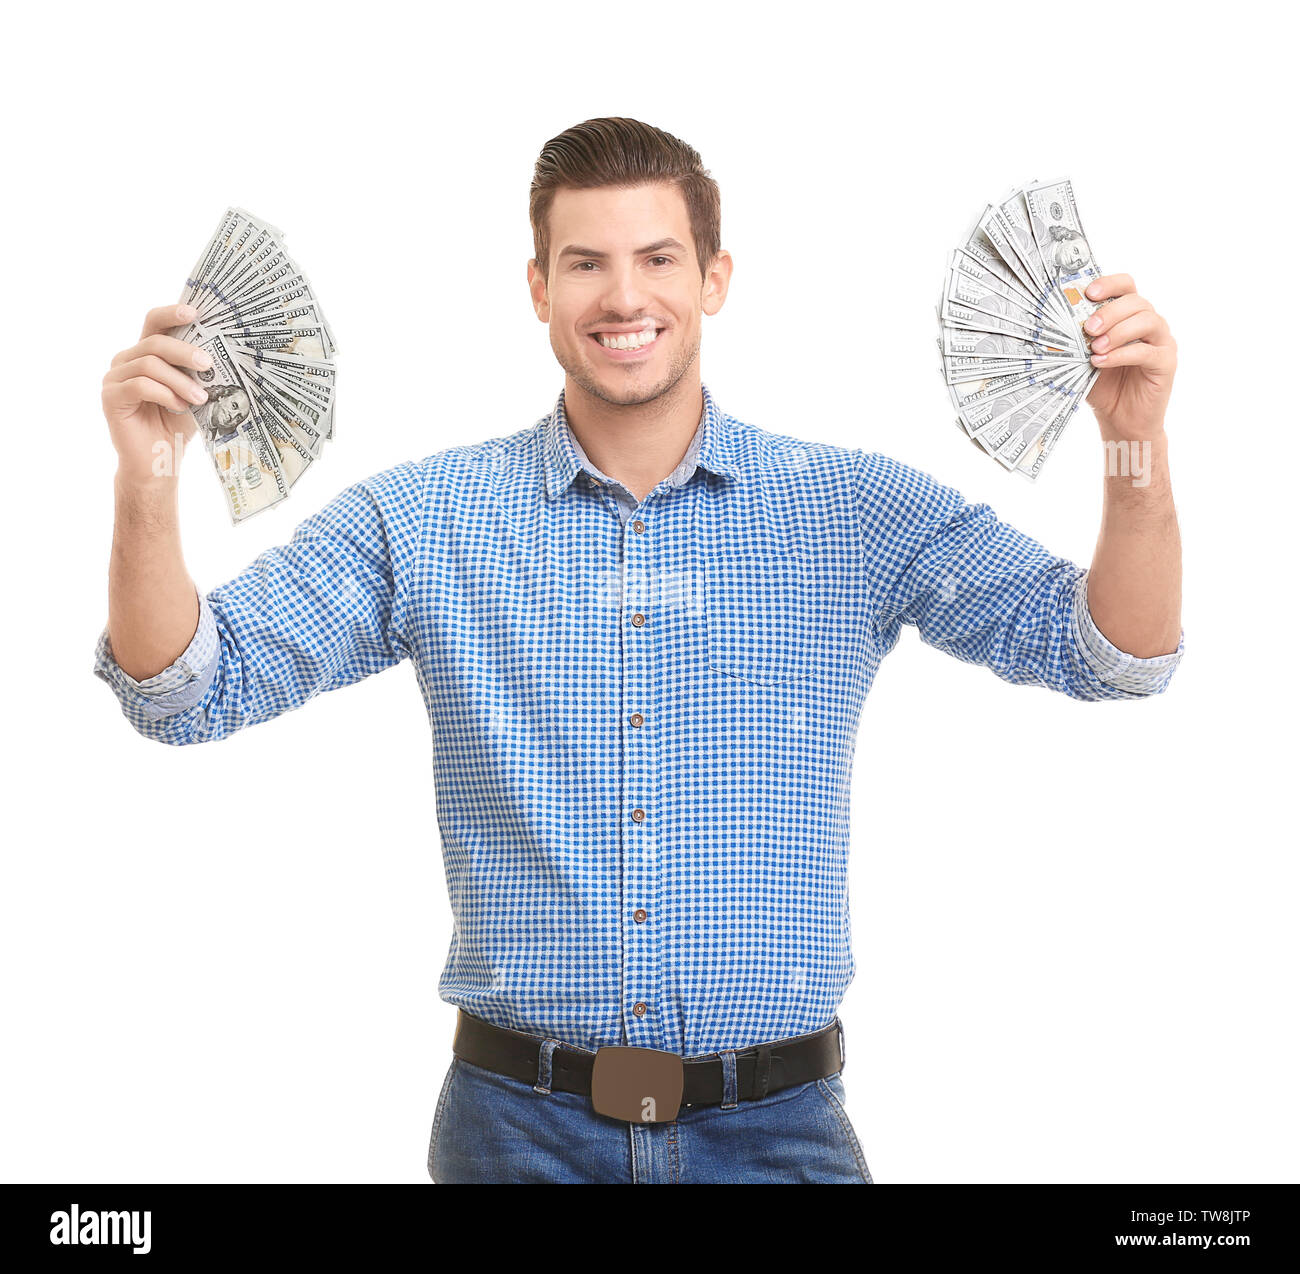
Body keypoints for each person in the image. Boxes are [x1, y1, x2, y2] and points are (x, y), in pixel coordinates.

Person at [93, 117, 1184, 1184]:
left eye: (658, 257)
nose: (623, 296)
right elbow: (188, 689)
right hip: (513, 1136)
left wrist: (1134, 435)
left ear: (714, 277)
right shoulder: (426, 521)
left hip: (777, 1134)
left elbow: (1109, 653)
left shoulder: (849, 512)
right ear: (537, 289)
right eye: (585, 263)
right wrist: (147, 475)